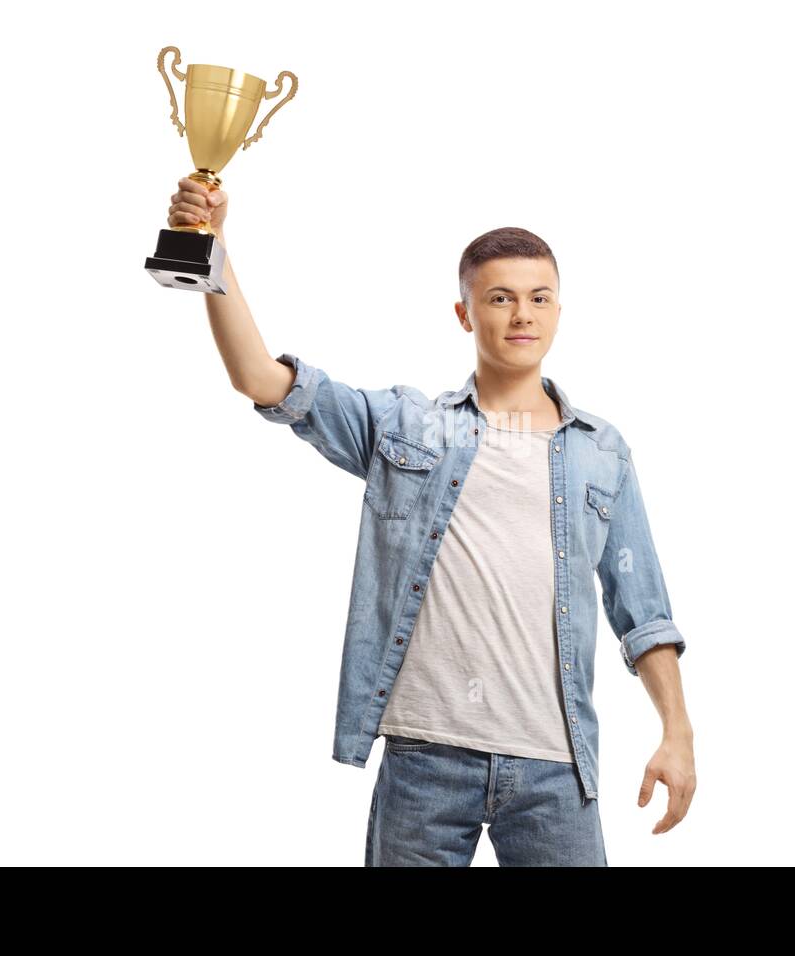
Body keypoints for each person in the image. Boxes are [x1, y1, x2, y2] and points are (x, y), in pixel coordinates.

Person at [167, 177, 697, 866]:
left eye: (538, 298)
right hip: (424, 762)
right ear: (465, 312)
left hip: (554, 766)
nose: (521, 315)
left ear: (560, 311)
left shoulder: (602, 452)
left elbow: (644, 611)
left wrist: (676, 732)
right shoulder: (407, 428)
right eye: (500, 298)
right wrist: (212, 245)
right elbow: (261, 377)